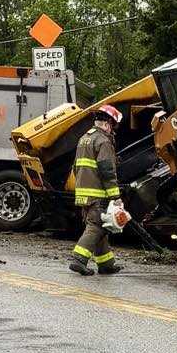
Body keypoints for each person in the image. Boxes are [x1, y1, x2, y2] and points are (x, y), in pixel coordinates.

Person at [67, 103, 122, 278]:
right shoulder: (103, 141)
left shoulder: (84, 138)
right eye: (112, 126)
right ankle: (79, 260)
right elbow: (107, 171)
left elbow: (76, 167)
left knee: (102, 228)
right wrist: (115, 196)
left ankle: (106, 264)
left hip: (84, 193)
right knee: (96, 227)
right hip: (98, 194)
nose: (112, 130)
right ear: (107, 123)